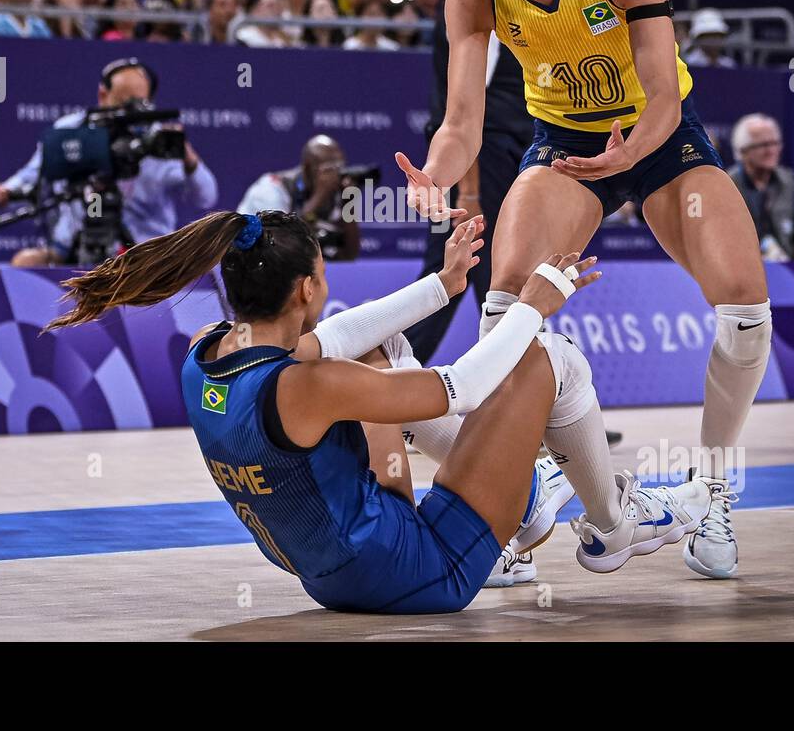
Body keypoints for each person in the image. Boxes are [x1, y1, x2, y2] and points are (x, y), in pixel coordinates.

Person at [397, 0, 771, 581]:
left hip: (658, 137)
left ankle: (712, 490)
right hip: (566, 145)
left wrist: (634, 148)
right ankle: (508, 504)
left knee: (746, 316)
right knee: (505, 308)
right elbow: (461, 121)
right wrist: (436, 172)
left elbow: (663, 93)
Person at [45, 211, 711, 612]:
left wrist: (442, 287)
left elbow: (336, 338)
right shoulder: (304, 390)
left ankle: (532, 500)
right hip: (425, 571)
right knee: (549, 356)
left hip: (332, 575)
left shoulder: (208, 353)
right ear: (307, 287)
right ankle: (611, 525)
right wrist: (537, 299)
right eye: (324, 273)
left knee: (375, 352)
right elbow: (464, 387)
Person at [0, 58, 218, 267]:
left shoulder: (158, 140)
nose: (130, 113)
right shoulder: (72, 130)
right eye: (124, 103)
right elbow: (35, 171)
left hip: (145, 251)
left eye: (140, 104)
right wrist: (6, 189)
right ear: (103, 95)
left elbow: (206, 197)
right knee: (26, 262)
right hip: (75, 241)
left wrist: (187, 156)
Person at [237, 135, 359, 260]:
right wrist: (319, 196)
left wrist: (349, 204)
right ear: (307, 168)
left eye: (340, 168)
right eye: (329, 169)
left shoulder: (333, 193)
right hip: (253, 261)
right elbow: (278, 245)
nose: (335, 175)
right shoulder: (272, 188)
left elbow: (349, 255)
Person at [728, 113, 794, 261]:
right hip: (743, 268)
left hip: (786, 269)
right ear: (743, 151)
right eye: (763, 145)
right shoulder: (727, 184)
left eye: (775, 143)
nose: (771, 150)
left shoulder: (789, 181)